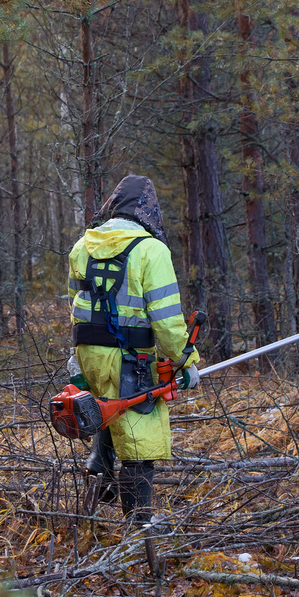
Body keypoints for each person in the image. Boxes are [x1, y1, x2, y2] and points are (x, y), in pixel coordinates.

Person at [67, 174, 200, 525]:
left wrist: (76, 357)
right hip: (133, 359)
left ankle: (99, 474)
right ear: (149, 212)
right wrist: (184, 359)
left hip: (89, 352)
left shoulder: (83, 246)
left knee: (108, 412)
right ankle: (139, 525)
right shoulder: (152, 250)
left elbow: (75, 303)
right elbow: (167, 318)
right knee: (140, 436)